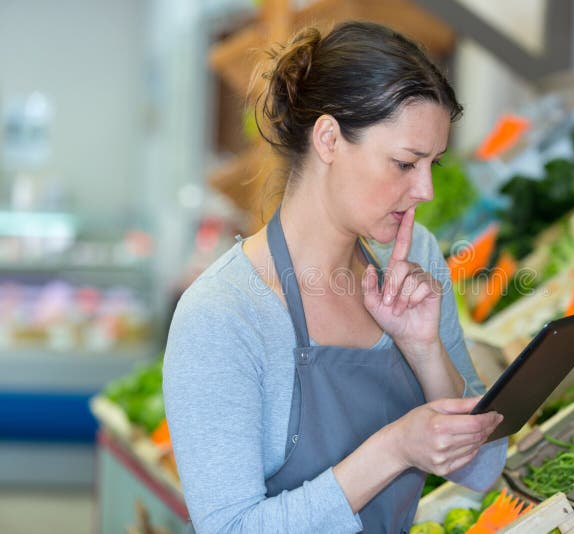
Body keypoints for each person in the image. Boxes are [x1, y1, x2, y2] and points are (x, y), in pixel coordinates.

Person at [163, 21, 507, 534]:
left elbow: (482, 467)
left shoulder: (415, 261)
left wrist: (424, 349)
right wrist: (393, 449)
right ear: (328, 138)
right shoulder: (224, 314)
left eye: (433, 163)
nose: (426, 191)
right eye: (405, 163)